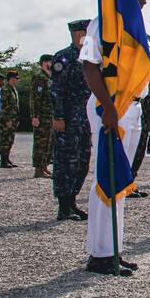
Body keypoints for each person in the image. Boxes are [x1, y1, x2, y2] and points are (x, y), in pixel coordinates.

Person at [78, 0, 150, 275]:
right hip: (112, 108)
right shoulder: (103, 22)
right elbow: (89, 64)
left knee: (120, 179)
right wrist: (108, 108)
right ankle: (100, 253)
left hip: (131, 108)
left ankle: (113, 248)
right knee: (106, 177)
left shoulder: (134, 25)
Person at [50, 19, 92, 222]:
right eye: (85, 32)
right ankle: (63, 206)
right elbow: (56, 90)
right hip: (68, 118)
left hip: (85, 119)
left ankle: (72, 201)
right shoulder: (64, 58)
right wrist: (58, 117)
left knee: (82, 161)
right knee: (65, 162)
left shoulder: (89, 57)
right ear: (77, 34)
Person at [29, 54, 53, 178]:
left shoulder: (50, 77)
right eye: (50, 61)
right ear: (45, 63)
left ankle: (44, 166)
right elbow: (35, 99)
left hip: (50, 116)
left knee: (49, 142)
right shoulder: (39, 77)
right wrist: (35, 116)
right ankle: (38, 169)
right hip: (42, 116)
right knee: (40, 142)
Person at [0, 70, 20, 168]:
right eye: (16, 78)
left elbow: (15, 106)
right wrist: (7, 120)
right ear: (11, 78)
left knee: (10, 139)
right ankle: (3, 160)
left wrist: (17, 119)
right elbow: (4, 106)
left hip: (13, 118)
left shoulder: (13, 89)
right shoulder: (5, 89)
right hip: (7, 119)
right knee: (5, 139)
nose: (17, 80)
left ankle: (7, 158)